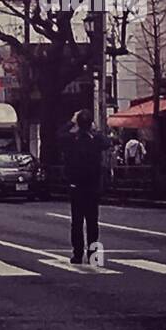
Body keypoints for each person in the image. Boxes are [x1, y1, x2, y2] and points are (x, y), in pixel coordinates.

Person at [60, 109, 110, 264]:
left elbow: (59, 135)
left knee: (77, 222)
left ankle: (77, 254)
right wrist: (94, 129)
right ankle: (93, 254)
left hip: (76, 185)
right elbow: (107, 142)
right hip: (93, 186)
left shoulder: (71, 139)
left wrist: (71, 121)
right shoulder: (95, 140)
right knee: (92, 223)